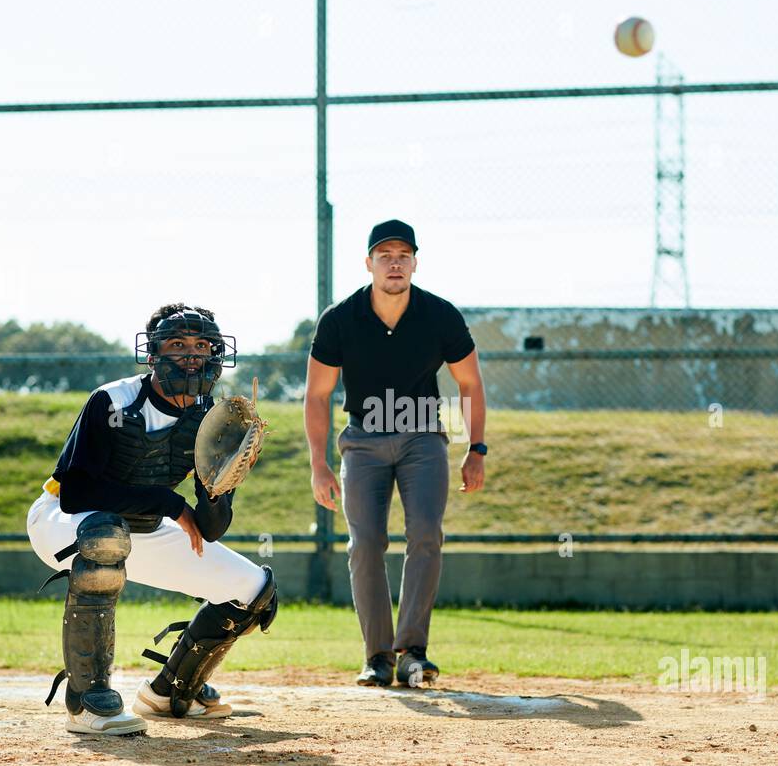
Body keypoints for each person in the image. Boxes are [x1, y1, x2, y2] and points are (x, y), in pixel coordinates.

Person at [27, 304, 278, 736]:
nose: (192, 355)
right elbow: (76, 495)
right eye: (177, 344)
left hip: (142, 527)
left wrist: (218, 491)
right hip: (65, 522)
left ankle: (169, 691)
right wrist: (169, 502)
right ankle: (88, 702)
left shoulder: (215, 416)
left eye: (202, 345)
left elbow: (210, 530)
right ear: (153, 353)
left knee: (254, 590)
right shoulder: (113, 401)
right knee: (105, 536)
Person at [304, 219, 487, 688]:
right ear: (368, 263)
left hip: (422, 436)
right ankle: (378, 657)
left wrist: (476, 448)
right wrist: (319, 464)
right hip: (362, 441)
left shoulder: (439, 315)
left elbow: (469, 382)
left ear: (415, 264)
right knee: (366, 543)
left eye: (403, 256)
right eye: (384, 256)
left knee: (425, 534)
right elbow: (318, 394)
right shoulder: (340, 318)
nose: (394, 264)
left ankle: (412, 652)